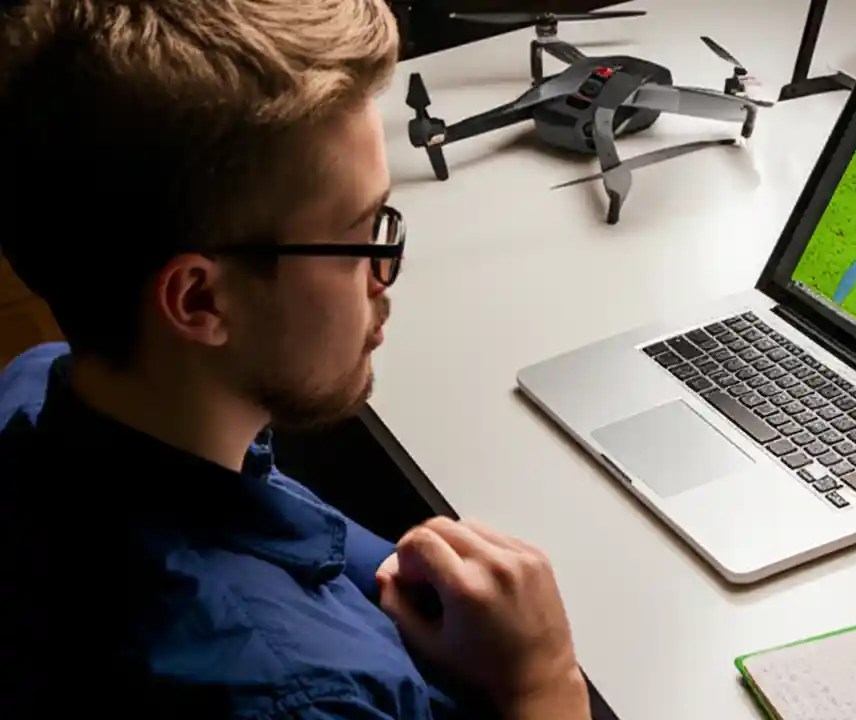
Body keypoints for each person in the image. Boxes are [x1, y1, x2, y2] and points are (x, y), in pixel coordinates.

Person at [0, 1, 590, 718]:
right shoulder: (304, 695)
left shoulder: (39, 382)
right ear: (198, 302)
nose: (384, 278)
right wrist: (545, 681)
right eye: (360, 237)